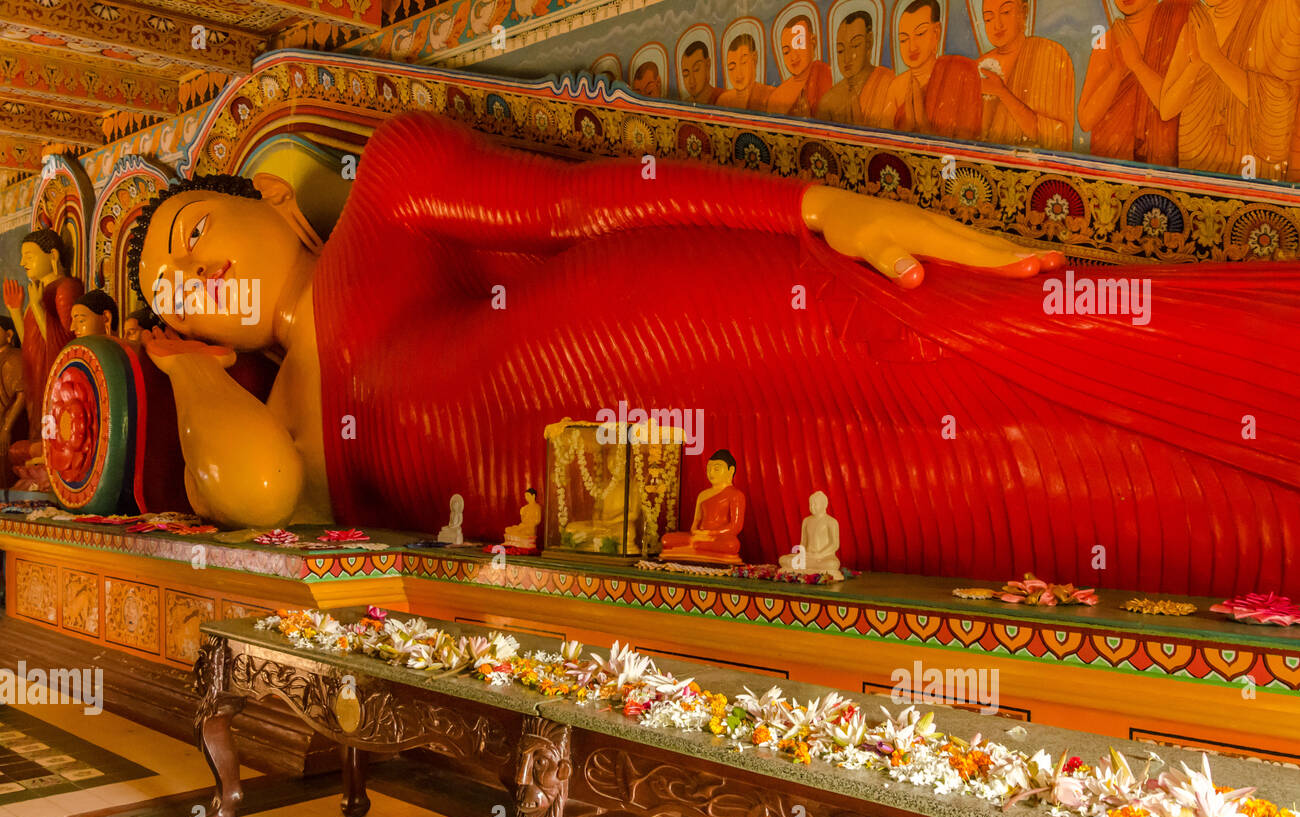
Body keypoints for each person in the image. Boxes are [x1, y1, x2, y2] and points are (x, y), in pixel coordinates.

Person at [125, 110, 1299, 597]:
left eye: (188, 231)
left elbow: (579, 200)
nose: (189, 271)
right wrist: (176, 366)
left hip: (676, 309)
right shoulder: (277, 431)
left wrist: (814, 213)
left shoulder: (382, 186)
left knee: (972, 341)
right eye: (170, 291)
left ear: (278, 205)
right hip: (647, 491)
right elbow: (261, 496)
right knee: (979, 499)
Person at [1159, 0, 1300, 179]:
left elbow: (1280, 104)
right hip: (1194, 162)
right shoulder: (1198, 24)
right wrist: (1195, 65)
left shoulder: (1275, 14)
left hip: (1248, 172)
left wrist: (1215, 58)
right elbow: (1166, 109)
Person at [1079, 0, 1189, 166]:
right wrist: (1117, 72)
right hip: (1113, 161)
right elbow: (1086, 120)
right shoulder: (1108, 41)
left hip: (1161, 163)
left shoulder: (1176, 29)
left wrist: (1137, 64)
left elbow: (1172, 105)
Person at [2, 229, 81, 444]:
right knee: (36, 435)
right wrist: (16, 311)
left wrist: (36, 306)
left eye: (29, 255)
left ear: (53, 256)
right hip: (34, 374)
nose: (21, 262)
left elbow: (65, 343)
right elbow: (29, 341)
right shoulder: (37, 292)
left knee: (54, 437)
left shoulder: (66, 288)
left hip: (54, 375)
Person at [978, 0, 1076, 150]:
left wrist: (1002, 93)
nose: (997, 25)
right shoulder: (978, 66)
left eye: (1005, 12)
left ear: (1023, 12)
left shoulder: (1051, 55)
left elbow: (1058, 137)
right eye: (988, 19)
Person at [883, 0, 982, 140]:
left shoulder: (961, 72)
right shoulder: (896, 87)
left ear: (936, 33)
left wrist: (924, 125)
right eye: (904, 40)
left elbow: (968, 143)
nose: (912, 47)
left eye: (920, 33)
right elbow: (884, 139)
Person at [660, 450, 746, 564]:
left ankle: (693, 547)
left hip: (717, 538)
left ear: (731, 471)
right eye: (708, 469)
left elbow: (735, 527)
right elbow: (696, 521)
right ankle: (696, 546)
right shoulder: (703, 494)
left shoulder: (736, 495)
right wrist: (696, 532)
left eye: (716, 469)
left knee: (731, 545)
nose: (711, 473)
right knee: (666, 539)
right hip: (699, 536)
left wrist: (710, 534)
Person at [815, 10, 895, 127]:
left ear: (869, 42)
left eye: (855, 45)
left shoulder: (888, 83)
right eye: (840, 50)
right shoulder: (828, 101)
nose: (847, 58)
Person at [768, 14, 833, 116]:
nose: (793, 57)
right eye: (786, 52)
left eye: (799, 45)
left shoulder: (827, 75)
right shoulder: (777, 96)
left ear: (813, 42)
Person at [716, 33, 776, 112]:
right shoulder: (724, 100)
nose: (738, 73)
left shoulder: (771, 95)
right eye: (731, 67)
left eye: (743, 62)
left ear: (754, 58)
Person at [0, 315, 26, 484]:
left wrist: (7, 428)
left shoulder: (14, 358)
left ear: (9, 335)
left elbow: (22, 395)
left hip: (8, 424)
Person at [680, 40, 721, 105]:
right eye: (686, 74)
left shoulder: (722, 99)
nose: (691, 81)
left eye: (696, 69)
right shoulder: (684, 104)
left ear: (708, 65)